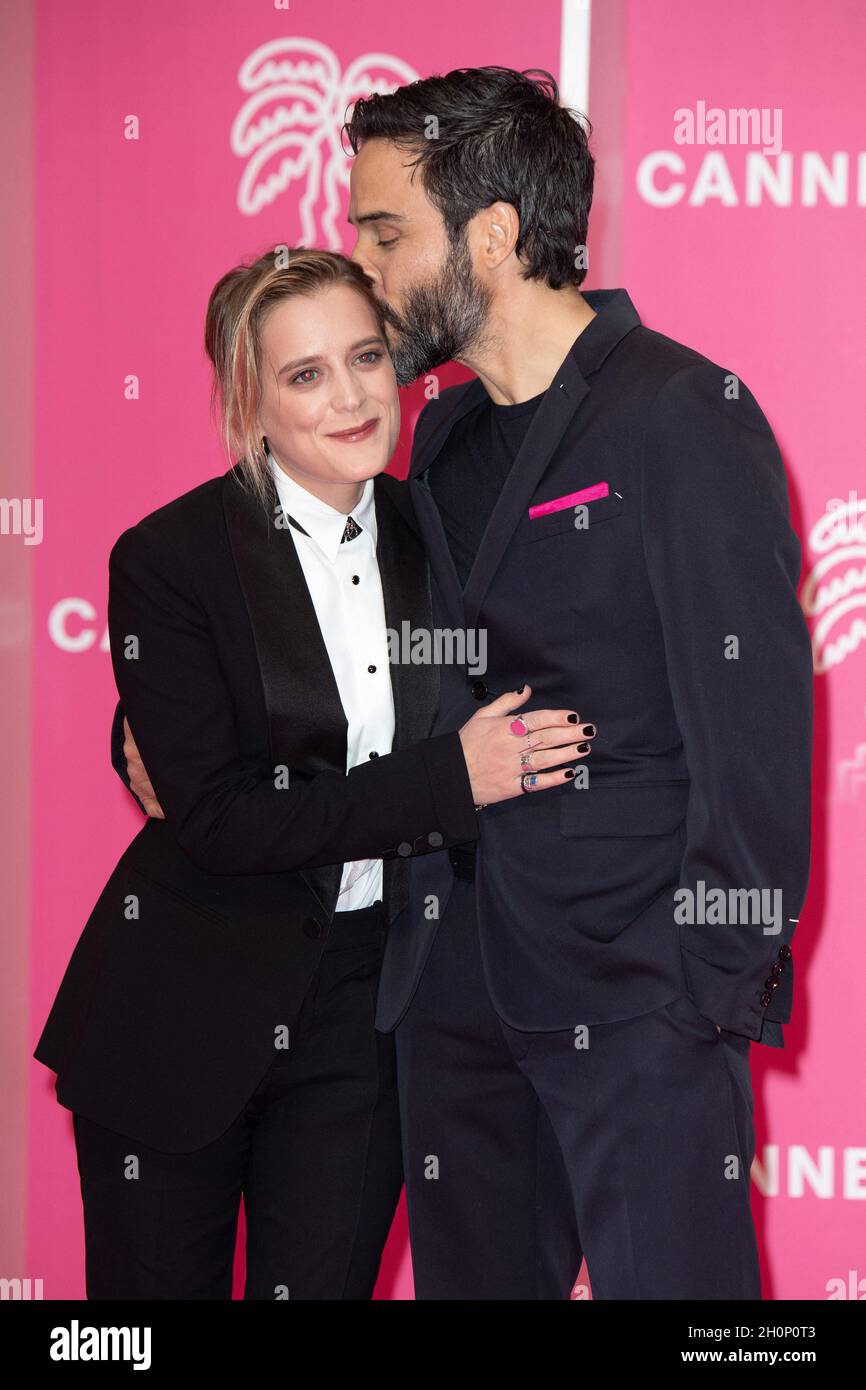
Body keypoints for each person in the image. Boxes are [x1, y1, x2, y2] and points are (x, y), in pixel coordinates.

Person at [33, 246, 595, 1300]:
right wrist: (445, 780)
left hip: (366, 1012)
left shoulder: (444, 536)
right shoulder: (168, 558)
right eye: (304, 375)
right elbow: (220, 819)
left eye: (367, 357)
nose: (349, 397)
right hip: (180, 1008)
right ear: (248, 399)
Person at [338, 65, 811, 1299]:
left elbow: (752, 722)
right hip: (453, 997)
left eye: (385, 233)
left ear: (490, 236)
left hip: (636, 990)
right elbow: (397, 669)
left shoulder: (675, 410)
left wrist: (701, 987)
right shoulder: (436, 436)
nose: (363, 271)